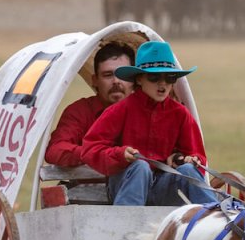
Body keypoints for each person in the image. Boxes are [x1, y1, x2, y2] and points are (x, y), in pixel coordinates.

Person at [82, 40, 217, 207]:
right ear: (139, 79)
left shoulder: (180, 114)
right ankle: (126, 224)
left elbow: (197, 156)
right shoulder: (120, 110)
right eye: (154, 77)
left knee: (189, 171)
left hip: (163, 187)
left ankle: (218, 217)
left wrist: (189, 159)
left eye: (170, 77)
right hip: (126, 185)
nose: (163, 84)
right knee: (140, 167)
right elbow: (90, 149)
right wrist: (120, 154)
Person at [44, 41, 135, 167]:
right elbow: (55, 150)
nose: (116, 81)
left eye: (123, 75)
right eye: (108, 75)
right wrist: (100, 155)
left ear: (135, 80)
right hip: (87, 186)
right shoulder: (80, 111)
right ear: (95, 80)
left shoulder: (148, 112)